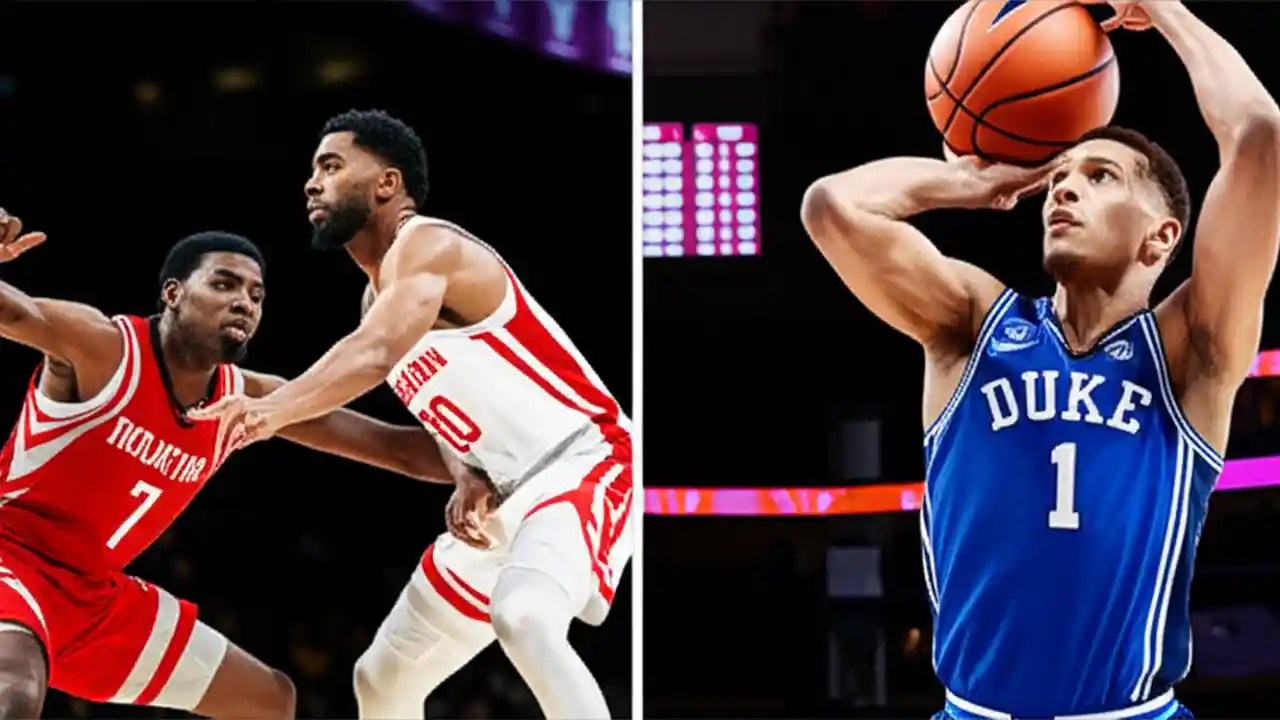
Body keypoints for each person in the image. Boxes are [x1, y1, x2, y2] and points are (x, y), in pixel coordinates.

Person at [800, 1, 1280, 718]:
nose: (1064, 186)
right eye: (1061, 175)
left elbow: (1259, 134)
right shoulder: (972, 326)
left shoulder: (1190, 353)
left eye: (1101, 176)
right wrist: (965, 183)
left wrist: (1163, 9)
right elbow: (831, 207)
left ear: (1160, 238)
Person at [190, 109, 633, 719]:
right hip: (504, 497)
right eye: (312, 169)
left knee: (524, 617)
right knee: (381, 678)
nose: (311, 183)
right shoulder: (378, 298)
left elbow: (373, 354)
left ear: (387, 183)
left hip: (585, 460)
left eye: (331, 165)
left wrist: (269, 412)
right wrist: (464, 468)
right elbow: (433, 426)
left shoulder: (430, 244)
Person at [0, 219, 468, 718]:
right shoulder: (103, 347)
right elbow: (16, 312)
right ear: (173, 293)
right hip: (12, 558)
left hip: (92, 595)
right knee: (15, 689)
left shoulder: (248, 401)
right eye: (224, 284)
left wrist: (495, 452)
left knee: (267, 700)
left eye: (257, 294)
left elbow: (398, 449)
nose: (245, 302)